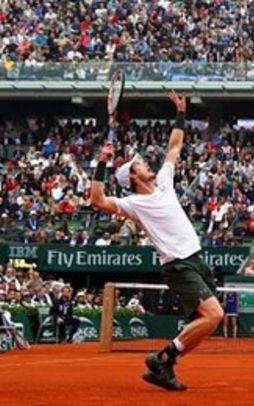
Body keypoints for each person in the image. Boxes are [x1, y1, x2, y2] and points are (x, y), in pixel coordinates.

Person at [90, 91, 223, 391]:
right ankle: (162, 358)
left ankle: (164, 365)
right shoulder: (132, 203)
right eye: (139, 165)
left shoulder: (164, 181)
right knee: (215, 314)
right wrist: (101, 163)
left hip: (196, 260)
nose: (145, 165)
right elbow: (97, 199)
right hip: (178, 265)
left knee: (206, 322)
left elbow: (175, 145)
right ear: (133, 177)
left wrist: (180, 112)